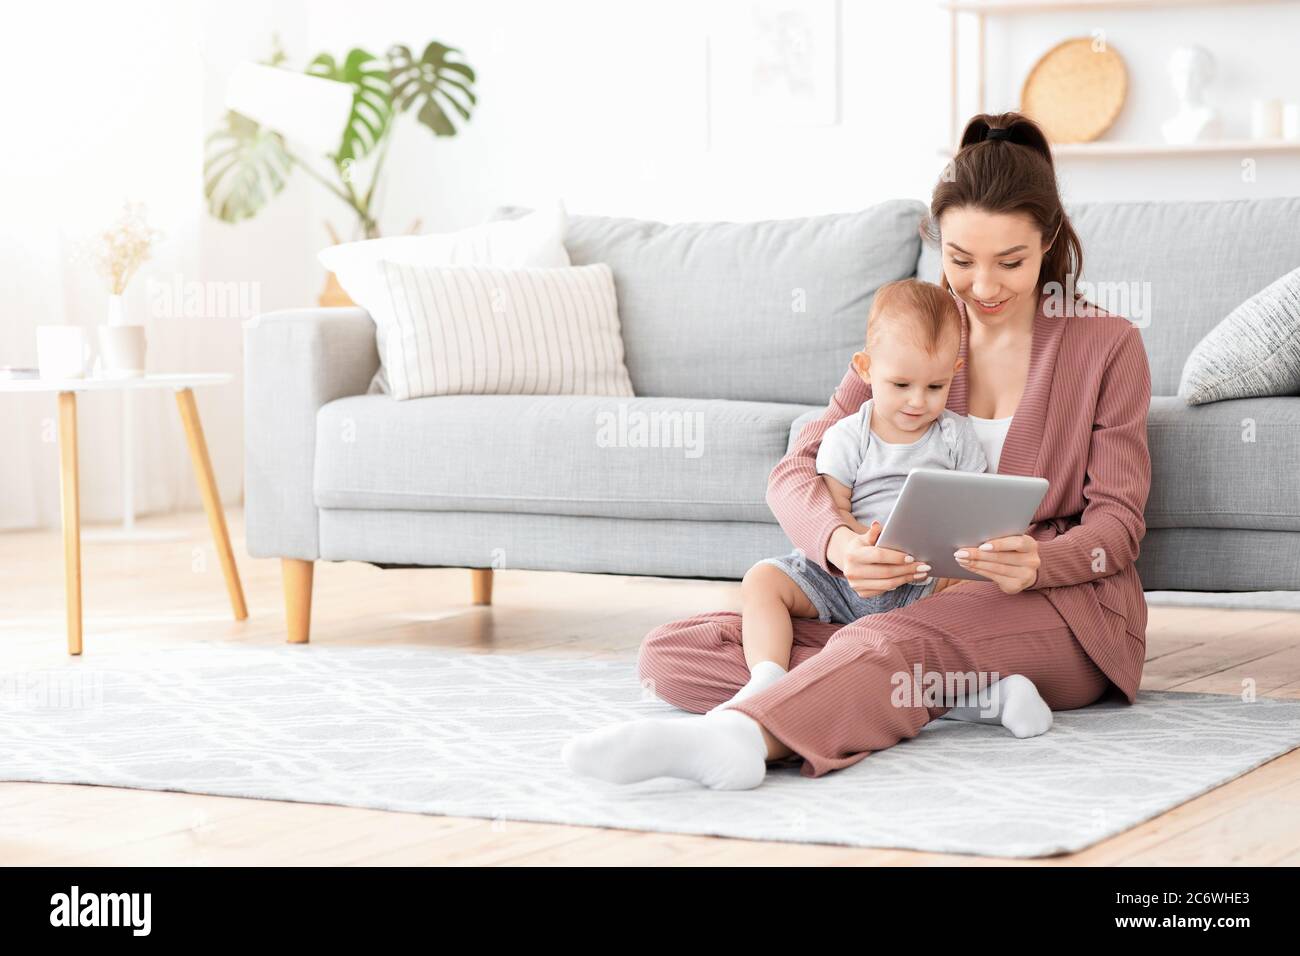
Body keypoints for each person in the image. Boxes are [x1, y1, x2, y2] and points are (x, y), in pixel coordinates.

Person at [562, 111, 1152, 790]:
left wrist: (1039, 562)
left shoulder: (1107, 346)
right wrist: (841, 547)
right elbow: (796, 470)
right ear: (937, 244)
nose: (983, 287)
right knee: (675, 652)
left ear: (1047, 241)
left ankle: (743, 736)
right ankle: (957, 697)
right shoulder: (918, 335)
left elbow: (1119, 527)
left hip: (1063, 610)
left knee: (888, 644)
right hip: (902, 604)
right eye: (961, 261)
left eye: (1010, 263)